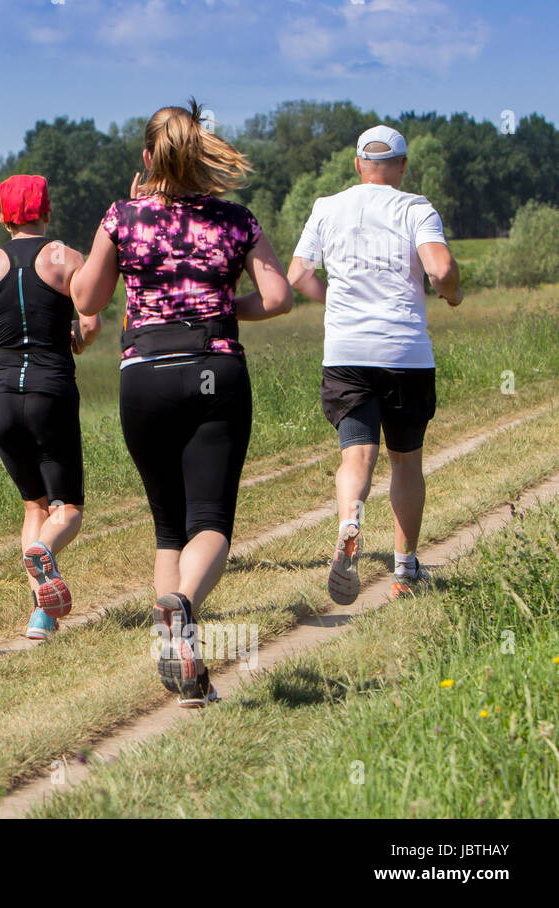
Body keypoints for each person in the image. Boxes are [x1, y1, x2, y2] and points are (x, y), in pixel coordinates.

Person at [72, 101, 292, 707]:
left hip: (143, 375)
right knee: (212, 521)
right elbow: (278, 298)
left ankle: (181, 667)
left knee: (169, 525)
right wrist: (223, 308)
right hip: (214, 371)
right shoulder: (235, 219)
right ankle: (183, 607)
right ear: (200, 156)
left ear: (148, 158)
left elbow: (87, 297)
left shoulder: (123, 216)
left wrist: (112, 232)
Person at [286, 125, 462, 604]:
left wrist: (332, 302)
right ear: (403, 166)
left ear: (357, 164)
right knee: (405, 461)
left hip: (346, 352)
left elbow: (298, 274)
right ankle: (405, 571)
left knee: (355, 455)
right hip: (404, 354)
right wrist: (453, 294)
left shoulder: (326, 207)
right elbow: (440, 269)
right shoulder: (415, 208)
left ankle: (349, 520)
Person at [0, 174, 102, 641]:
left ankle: (40, 616)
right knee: (66, 508)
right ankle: (46, 551)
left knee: (33, 502)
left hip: (2, 397)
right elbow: (89, 324)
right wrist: (77, 340)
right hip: (50, 392)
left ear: (4, 215)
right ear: (46, 211)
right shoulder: (66, 258)